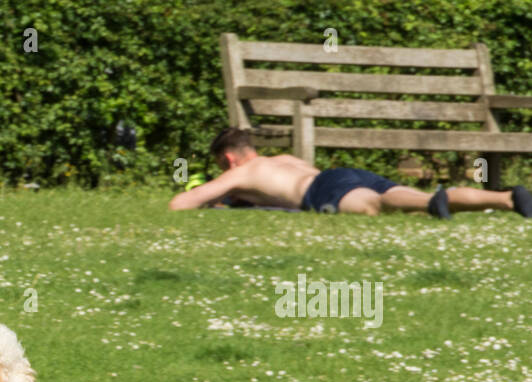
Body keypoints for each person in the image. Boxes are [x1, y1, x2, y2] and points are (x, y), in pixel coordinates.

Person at [169, 127, 532, 218]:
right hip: (342, 172)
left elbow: (180, 204)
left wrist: (210, 195)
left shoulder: (240, 174)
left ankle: (432, 202)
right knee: (397, 195)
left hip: (325, 190)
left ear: (230, 160)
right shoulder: (282, 158)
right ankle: (506, 197)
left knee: (379, 205)